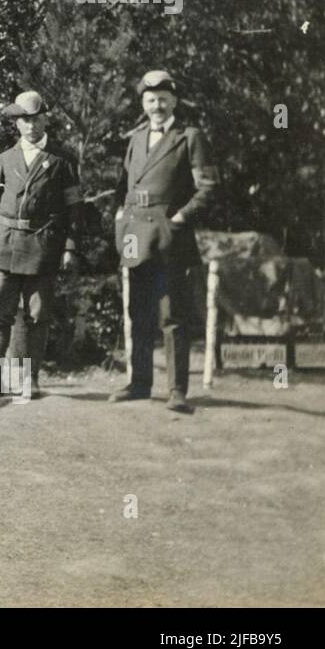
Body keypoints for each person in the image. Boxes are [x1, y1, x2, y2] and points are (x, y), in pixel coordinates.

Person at [110, 70, 218, 414]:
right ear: (143, 103)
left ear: (174, 101)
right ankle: (139, 383)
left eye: (163, 99)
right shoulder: (136, 138)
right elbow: (123, 186)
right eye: (151, 100)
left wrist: (181, 217)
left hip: (170, 237)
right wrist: (120, 217)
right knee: (137, 312)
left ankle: (177, 390)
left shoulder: (189, 137)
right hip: (134, 236)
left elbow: (209, 187)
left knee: (172, 316)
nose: (157, 105)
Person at [0, 91, 81, 396]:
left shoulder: (63, 160)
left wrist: (70, 247)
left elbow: (75, 209)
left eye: (36, 119)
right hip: (5, 243)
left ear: (46, 119)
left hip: (42, 245)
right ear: (16, 123)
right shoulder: (6, 159)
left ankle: (28, 378)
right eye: (24, 120)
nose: (31, 126)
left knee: (37, 315)